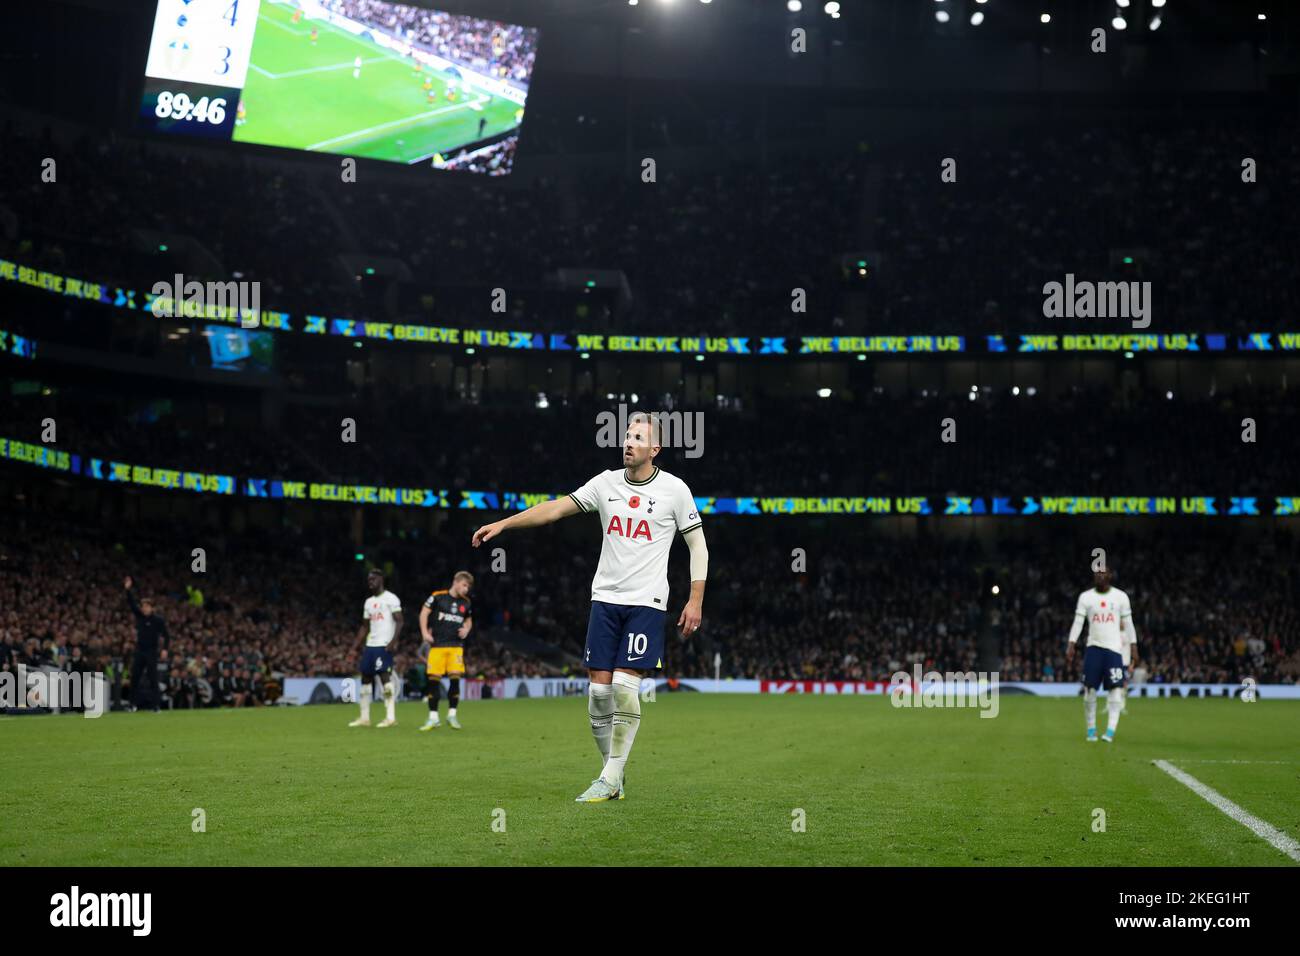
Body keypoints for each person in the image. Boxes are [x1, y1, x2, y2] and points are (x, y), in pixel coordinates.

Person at [472, 412, 707, 802]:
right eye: (626, 435)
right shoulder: (605, 483)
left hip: (646, 602)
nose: (628, 442)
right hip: (605, 599)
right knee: (598, 696)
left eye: (638, 437)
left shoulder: (675, 490)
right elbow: (554, 509)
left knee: (625, 688)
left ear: (655, 449)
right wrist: (505, 524)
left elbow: (697, 545)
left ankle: (610, 778)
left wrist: (694, 599)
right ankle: (612, 773)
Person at [1065, 566, 1138, 743]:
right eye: (1097, 573)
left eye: (1103, 572)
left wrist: (1134, 647)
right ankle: (1091, 729)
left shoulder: (1120, 597)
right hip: (1093, 648)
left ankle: (1110, 730)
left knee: (1115, 690)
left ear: (1110, 575)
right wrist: (1071, 643)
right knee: (1089, 690)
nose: (1100, 575)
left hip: (1114, 650)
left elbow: (1128, 624)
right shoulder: (1086, 597)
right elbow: (1078, 622)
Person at [418, 571, 473, 731]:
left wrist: (467, 630)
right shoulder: (438, 597)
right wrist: (424, 633)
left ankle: (452, 715)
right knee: (433, 682)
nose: (466, 589)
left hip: (456, 647)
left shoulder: (466, 603)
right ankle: (433, 718)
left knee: (455, 680)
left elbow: (469, 621)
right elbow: (424, 613)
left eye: (468, 587)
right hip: (437, 646)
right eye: (464, 585)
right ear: (456, 582)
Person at [349, 568, 403, 728]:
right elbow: (364, 627)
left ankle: (390, 717)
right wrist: (354, 647)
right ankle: (364, 718)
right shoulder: (368, 602)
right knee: (365, 679)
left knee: (385, 679)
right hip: (370, 645)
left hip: (383, 645)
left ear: (381, 580)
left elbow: (400, 621)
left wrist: (393, 641)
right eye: (368, 580)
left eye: (373, 579)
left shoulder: (391, 598)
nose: (370, 582)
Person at [124, 576, 170, 712]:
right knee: (135, 678)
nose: (144, 609)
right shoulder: (140, 616)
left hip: (151, 651)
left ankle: (156, 705)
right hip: (140, 651)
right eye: (143, 606)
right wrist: (128, 590)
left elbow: (166, 636)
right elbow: (132, 604)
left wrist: (165, 649)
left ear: (152, 608)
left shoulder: (158, 620)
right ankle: (132, 704)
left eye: (146, 606)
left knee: (152, 679)